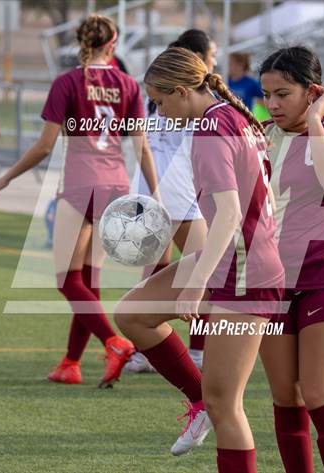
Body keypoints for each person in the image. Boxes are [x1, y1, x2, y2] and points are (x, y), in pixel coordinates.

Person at [113, 47, 284, 471]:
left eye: (159, 99)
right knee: (132, 313)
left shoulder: (212, 128)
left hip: (245, 270)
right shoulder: (228, 116)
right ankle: (197, 399)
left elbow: (228, 213)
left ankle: (206, 403)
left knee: (227, 406)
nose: (157, 109)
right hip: (231, 258)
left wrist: (196, 282)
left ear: (181, 91)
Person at [0, 14, 159, 387]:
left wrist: (6, 176)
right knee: (88, 279)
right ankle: (70, 363)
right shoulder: (129, 85)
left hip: (81, 185)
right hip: (115, 186)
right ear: (113, 45)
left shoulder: (67, 82)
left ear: (81, 42)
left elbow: (46, 145)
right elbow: (141, 147)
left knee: (67, 280)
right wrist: (155, 194)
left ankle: (113, 341)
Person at [258, 46, 324, 473]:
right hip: (271, 282)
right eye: (267, 94)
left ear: (312, 91)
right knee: (286, 397)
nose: (273, 104)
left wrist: (316, 121)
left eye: (283, 93)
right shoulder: (259, 136)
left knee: (320, 393)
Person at [125, 29, 216, 374]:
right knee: (202, 273)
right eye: (212, 54)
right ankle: (196, 352)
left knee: (154, 273)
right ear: (197, 58)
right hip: (177, 191)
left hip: (150, 190)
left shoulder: (159, 89)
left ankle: (145, 352)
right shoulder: (189, 95)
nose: (214, 61)